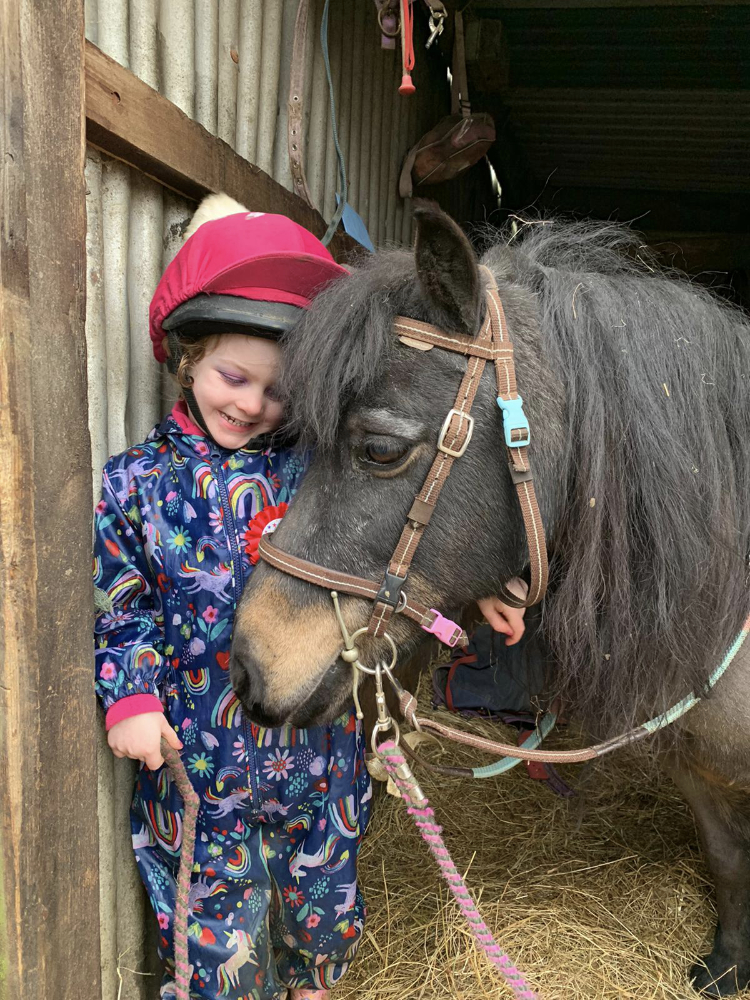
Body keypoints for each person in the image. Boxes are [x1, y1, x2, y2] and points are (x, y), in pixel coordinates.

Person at [93, 193, 528, 1000]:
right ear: (187, 360)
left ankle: (313, 981)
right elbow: (124, 608)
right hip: (201, 760)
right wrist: (132, 698)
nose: (253, 404)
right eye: (233, 378)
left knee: (323, 903)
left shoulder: (317, 464)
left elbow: (396, 538)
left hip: (321, 751)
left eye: (278, 391)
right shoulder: (137, 484)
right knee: (214, 928)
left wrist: (469, 597)